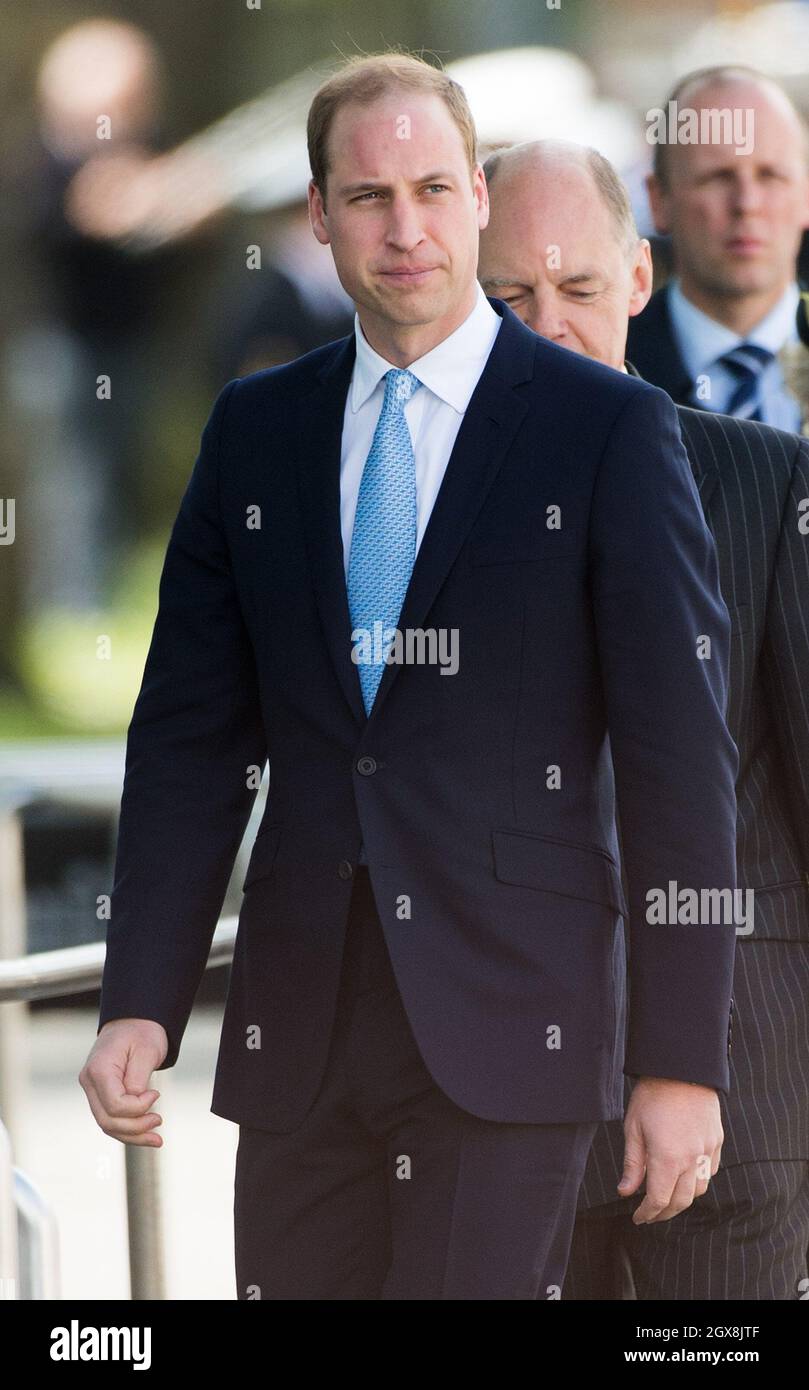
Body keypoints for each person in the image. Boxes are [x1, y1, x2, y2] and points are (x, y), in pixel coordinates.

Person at [80, 54, 737, 1301]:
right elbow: (188, 741)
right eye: (368, 196)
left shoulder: (602, 426)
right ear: (319, 216)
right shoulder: (254, 430)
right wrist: (139, 998)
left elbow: (675, 762)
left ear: (477, 200)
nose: (405, 227)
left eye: (433, 188)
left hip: (512, 1033)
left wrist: (677, 1061)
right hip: (299, 1035)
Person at [479, 137, 809, 1300]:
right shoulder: (413, 511)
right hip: (504, 1091)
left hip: (742, 1078)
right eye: (508, 296)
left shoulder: (765, 480)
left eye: (576, 290)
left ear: (637, 281)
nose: (547, 325)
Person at [628, 65, 809, 431]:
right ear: (658, 199)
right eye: (717, 177)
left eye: (770, 175)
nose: (747, 202)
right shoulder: (609, 367)